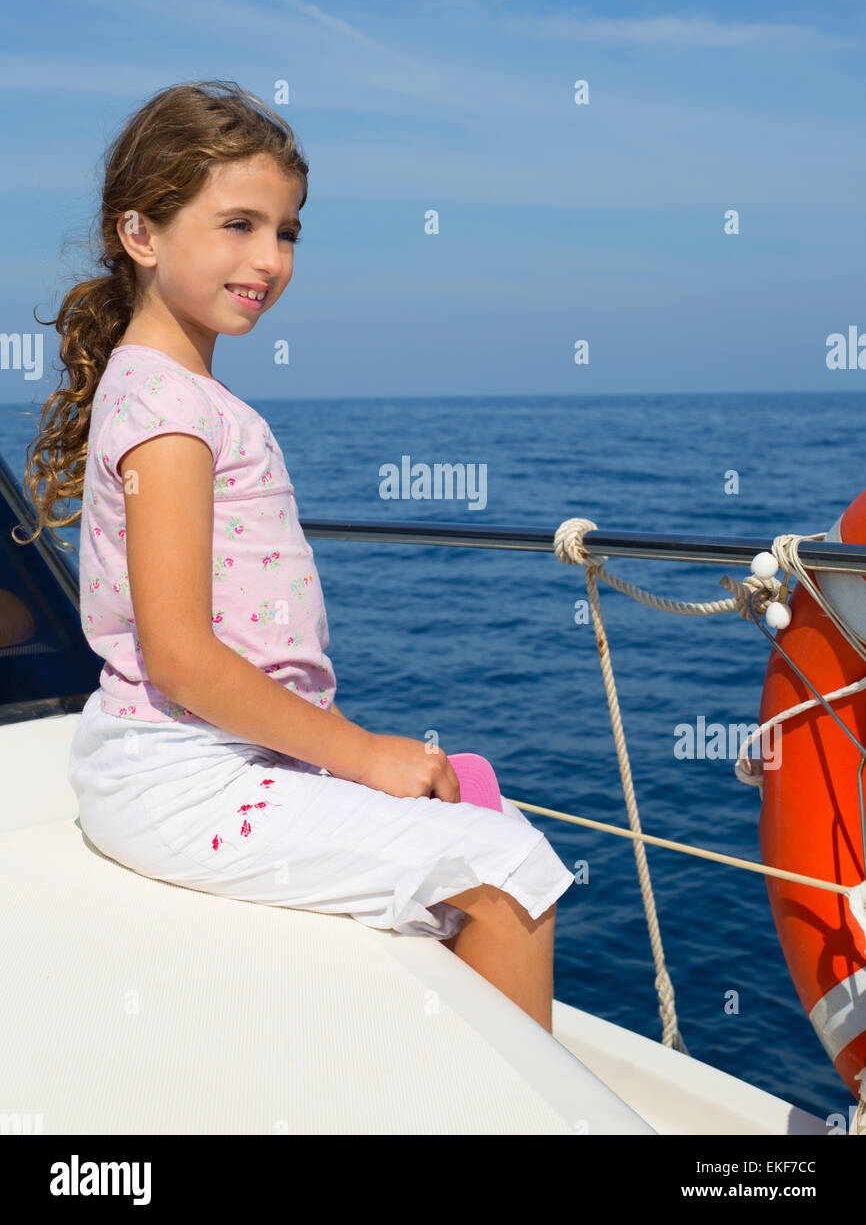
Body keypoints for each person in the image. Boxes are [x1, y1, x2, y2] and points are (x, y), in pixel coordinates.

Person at [14, 79, 575, 1032]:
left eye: (287, 232)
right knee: (506, 870)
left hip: (207, 758)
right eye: (237, 224)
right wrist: (360, 755)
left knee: (471, 821)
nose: (268, 259)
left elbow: (251, 651)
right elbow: (185, 657)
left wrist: (358, 754)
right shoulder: (168, 414)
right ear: (141, 234)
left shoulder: (173, 394)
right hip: (179, 775)